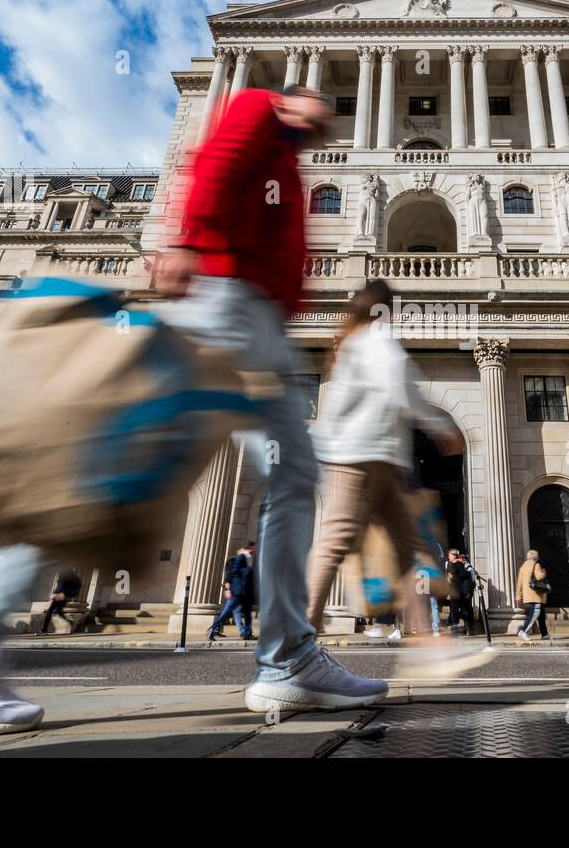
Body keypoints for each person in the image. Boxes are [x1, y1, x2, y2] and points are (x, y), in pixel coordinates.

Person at [157, 83, 388, 713]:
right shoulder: (257, 106)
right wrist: (186, 242)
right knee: (144, 463)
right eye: (323, 100)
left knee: (292, 478)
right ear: (298, 94)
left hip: (263, 325)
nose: (332, 116)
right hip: (226, 304)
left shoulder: (289, 159)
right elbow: (214, 165)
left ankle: (289, 660)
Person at [305, 281, 482, 679]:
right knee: (338, 540)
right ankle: (294, 644)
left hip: (374, 457)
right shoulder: (376, 340)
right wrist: (441, 428)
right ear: (383, 307)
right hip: (365, 457)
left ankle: (425, 646)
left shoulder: (351, 342)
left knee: (409, 551)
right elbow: (401, 391)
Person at [208, 543, 256, 642]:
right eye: (253, 548)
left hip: (245, 593)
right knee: (226, 613)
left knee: (247, 615)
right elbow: (233, 572)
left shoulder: (249, 559)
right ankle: (213, 629)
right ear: (250, 548)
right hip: (237, 592)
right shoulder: (241, 557)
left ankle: (246, 634)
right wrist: (228, 589)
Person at [516, 549, 550, 642]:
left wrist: (519, 594)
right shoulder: (536, 565)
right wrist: (543, 572)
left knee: (541, 614)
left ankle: (544, 634)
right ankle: (523, 631)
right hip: (535, 594)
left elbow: (519, 582)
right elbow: (539, 577)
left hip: (527, 595)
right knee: (533, 614)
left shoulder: (522, 567)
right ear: (535, 557)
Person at [39, 569, 82, 635]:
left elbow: (62, 585)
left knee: (49, 611)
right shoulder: (73, 577)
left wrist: (57, 594)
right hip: (62, 595)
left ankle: (44, 630)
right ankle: (70, 622)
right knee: (58, 611)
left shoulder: (66, 575)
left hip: (60, 595)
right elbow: (73, 588)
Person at [445, 549, 475, 634]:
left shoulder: (458, 564)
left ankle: (469, 627)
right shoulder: (450, 564)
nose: (448, 556)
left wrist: (453, 577)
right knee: (454, 610)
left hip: (460, 591)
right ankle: (455, 628)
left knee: (464, 610)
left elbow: (464, 575)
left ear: (454, 555)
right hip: (453, 591)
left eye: (450, 555)